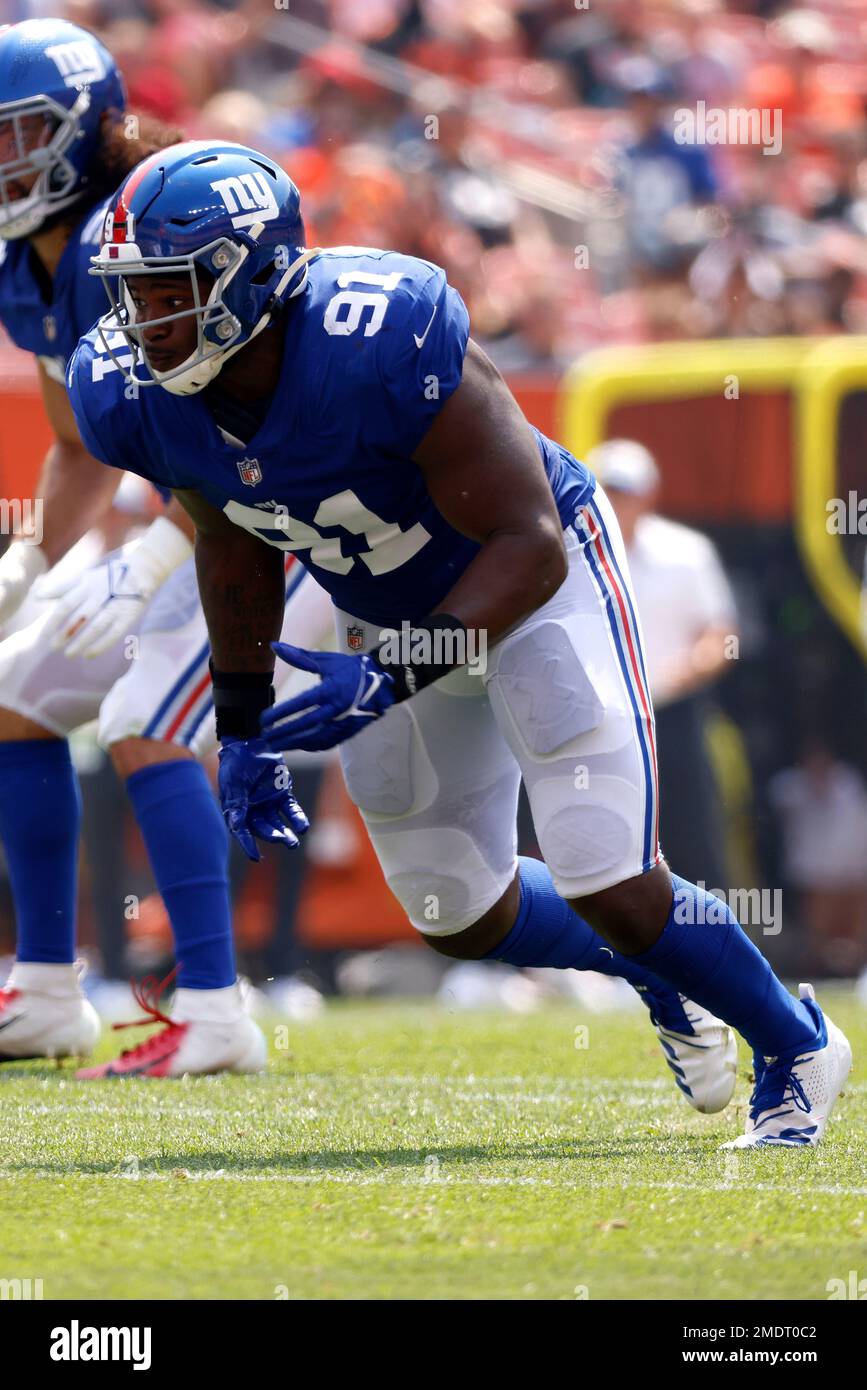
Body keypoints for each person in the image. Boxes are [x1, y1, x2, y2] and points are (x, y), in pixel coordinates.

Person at [68, 140, 852, 1147]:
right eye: (135, 294)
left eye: (171, 289)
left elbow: (527, 543)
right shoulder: (149, 397)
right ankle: (656, 965)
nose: (148, 320)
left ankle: (796, 1042)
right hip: (390, 608)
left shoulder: (378, 334)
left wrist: (395, 671)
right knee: (455, 911)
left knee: (605, 867)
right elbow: (232, 543)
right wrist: (244, 722)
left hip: (531, 580)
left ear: (252, 271)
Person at [0, 18, 331, 1077]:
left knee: (145, 719)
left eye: (21, 135)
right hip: (181, 515)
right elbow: (76, 441)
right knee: (17, 696)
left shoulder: (139, 232)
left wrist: (146, 562)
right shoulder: (29, 262)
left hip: (262, 520)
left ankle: (218, 1008)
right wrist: (29, 563)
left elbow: (235, 444)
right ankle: (49, 989)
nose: (4, 161)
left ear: (81, 128)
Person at [588, 439, 737, 889]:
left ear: (648, 494)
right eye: (608, 491)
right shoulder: (577, 554)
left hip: (673, 714)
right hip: (604, 719)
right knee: (606, 838)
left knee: (694, 832)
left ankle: (709, 942)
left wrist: (671, 682)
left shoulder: (686, 553)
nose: (617, 502)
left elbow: (720, 637)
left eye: (625, 491)